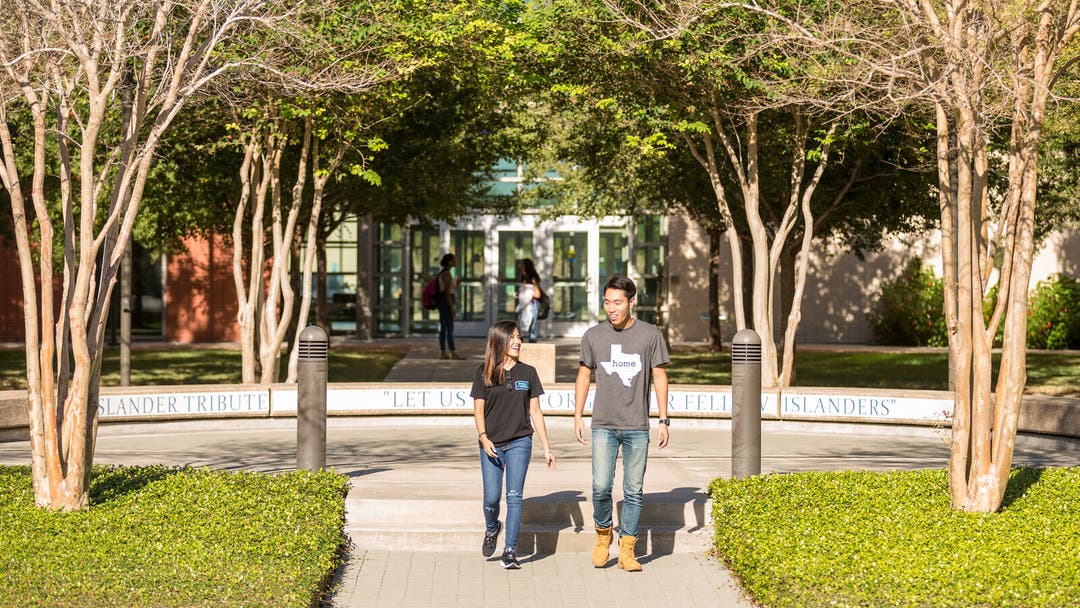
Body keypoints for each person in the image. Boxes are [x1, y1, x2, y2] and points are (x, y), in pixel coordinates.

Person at [573, 275, 669, 572]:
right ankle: (603, 536)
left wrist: (664, 419)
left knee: (633, 491)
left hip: (636, 426)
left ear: (631, 302)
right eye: (606, 302)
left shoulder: (650, 335)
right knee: (601, 486)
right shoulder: (593, 336)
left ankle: (627, 549)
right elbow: (584, 374)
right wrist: (577, 415)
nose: (611, 308)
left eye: (617, 302)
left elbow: (660, 376)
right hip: (603, 423)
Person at [471, 320, 556, 570]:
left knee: (515, 497)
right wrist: (483, 437)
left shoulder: (528, 373)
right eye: (513, 338)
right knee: (492, 498)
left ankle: (510, 550)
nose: (518, 342)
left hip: (520, 441)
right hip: (491, 444)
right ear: (499, 341)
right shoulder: (484, 372)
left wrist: (547, 447)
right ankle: (492, 527)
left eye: (519, 337)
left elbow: (536, 412)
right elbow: (478, 410)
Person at [437, 253, 465, 360]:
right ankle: (451, 352)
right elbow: (447, 293)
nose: (456, 261)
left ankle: (444, 352)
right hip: (446, 303)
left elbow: (450, 289)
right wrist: (451, 307)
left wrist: (456, 284)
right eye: (454, 260)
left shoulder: (446, 273)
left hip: (446, 302)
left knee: (445, 328)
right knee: (449, 328)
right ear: (449, 262)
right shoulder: (446, 274)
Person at [515, 258, 544, 343]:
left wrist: (528, 294)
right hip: (524, 305)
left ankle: (532, 347)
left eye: (521, 264)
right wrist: (520, 295)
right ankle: (521, 346)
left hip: (532, 305)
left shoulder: (532, 278)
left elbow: (537, 294)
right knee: (521, 326)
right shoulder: (523, 277)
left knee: (532, 328)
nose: (519, 266)